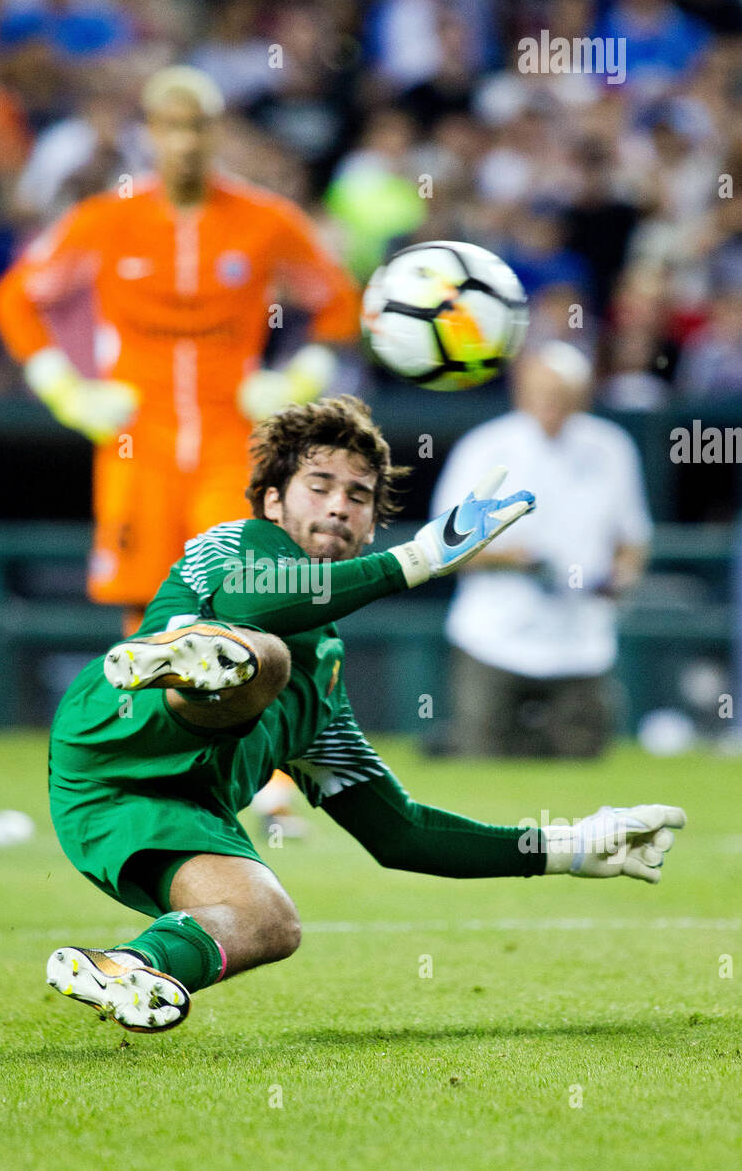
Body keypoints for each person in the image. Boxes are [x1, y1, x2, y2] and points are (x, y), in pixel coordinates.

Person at [44, 397, 685, 1033]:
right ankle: (187, 663)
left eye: (359, 495)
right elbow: (255, 599)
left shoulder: (323, 695)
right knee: (265, 653)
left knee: (271, 921)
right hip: (119, 721)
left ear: (372, 523)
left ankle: (130, 967)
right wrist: (421, 558)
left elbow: (400, 833)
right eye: (318, 485)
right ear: (272, 501)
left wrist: (565, 848)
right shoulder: (233, 544)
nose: (338, 505)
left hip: (141, 809)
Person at [0, 64, 360, 634]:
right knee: (145, 601)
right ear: (151, 133)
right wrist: (65, 392)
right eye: (172, 126)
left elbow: (339, 302)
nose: (186, 141)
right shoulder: (107, 219)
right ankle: (150, 718)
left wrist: (296, 381)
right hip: (140, 433)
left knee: (240, 596)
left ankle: (241, 721)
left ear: (217, 132)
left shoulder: (265, 221)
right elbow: (14, 299)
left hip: (232, 433)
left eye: (199, 126)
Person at [428, 342, 652, 759]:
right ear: (521, 390)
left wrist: (621, 578)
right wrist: (513, 559)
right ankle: (450, 742)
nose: (551, 403)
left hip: (580, 641)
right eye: (542, 391)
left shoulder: (610, 447)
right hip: (494, 636)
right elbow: (443, 546)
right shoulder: (486, 448)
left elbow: (632, 539)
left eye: (562, 393)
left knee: (580, 761)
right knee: (483, 760)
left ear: (582, 395)